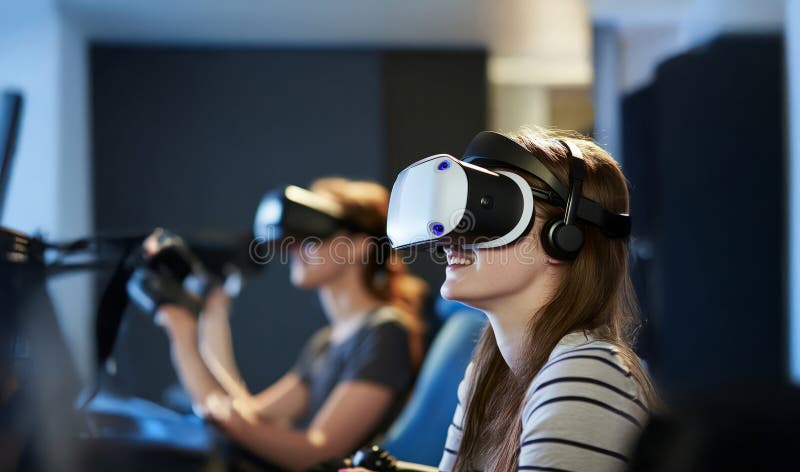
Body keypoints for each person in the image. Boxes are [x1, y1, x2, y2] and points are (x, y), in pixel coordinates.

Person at [347, 128, 658, 472]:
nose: (453, 239)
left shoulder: (586, 373)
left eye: (489, 210)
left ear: (563, 237)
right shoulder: (487, 374)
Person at [154, 178, 427, 471]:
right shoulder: (327, 341)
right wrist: (207, 319)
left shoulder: (386, 331)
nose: (295, 248)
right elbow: (253, 414)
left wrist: (228, 417)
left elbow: (317, 452)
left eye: (313, 237)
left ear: (359, 247)